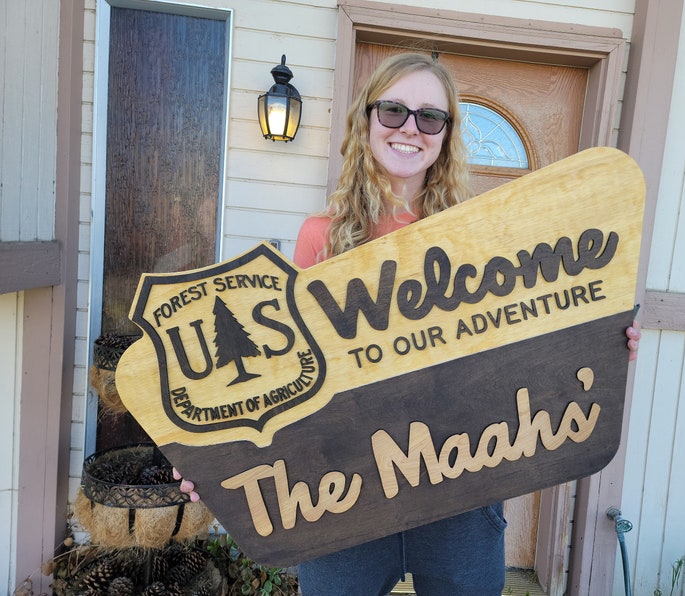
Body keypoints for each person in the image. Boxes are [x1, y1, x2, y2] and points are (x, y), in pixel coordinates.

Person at [177, 52, 642, 595]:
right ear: (367, 120)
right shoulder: (319, 238)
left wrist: (599, 344)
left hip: (461, 486)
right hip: (342, 490)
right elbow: (284, 374)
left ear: (445, 135)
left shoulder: (477, 236)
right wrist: (216, 456)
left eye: (430, 117)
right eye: (394, 110)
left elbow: (521, 343)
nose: (409, 129)